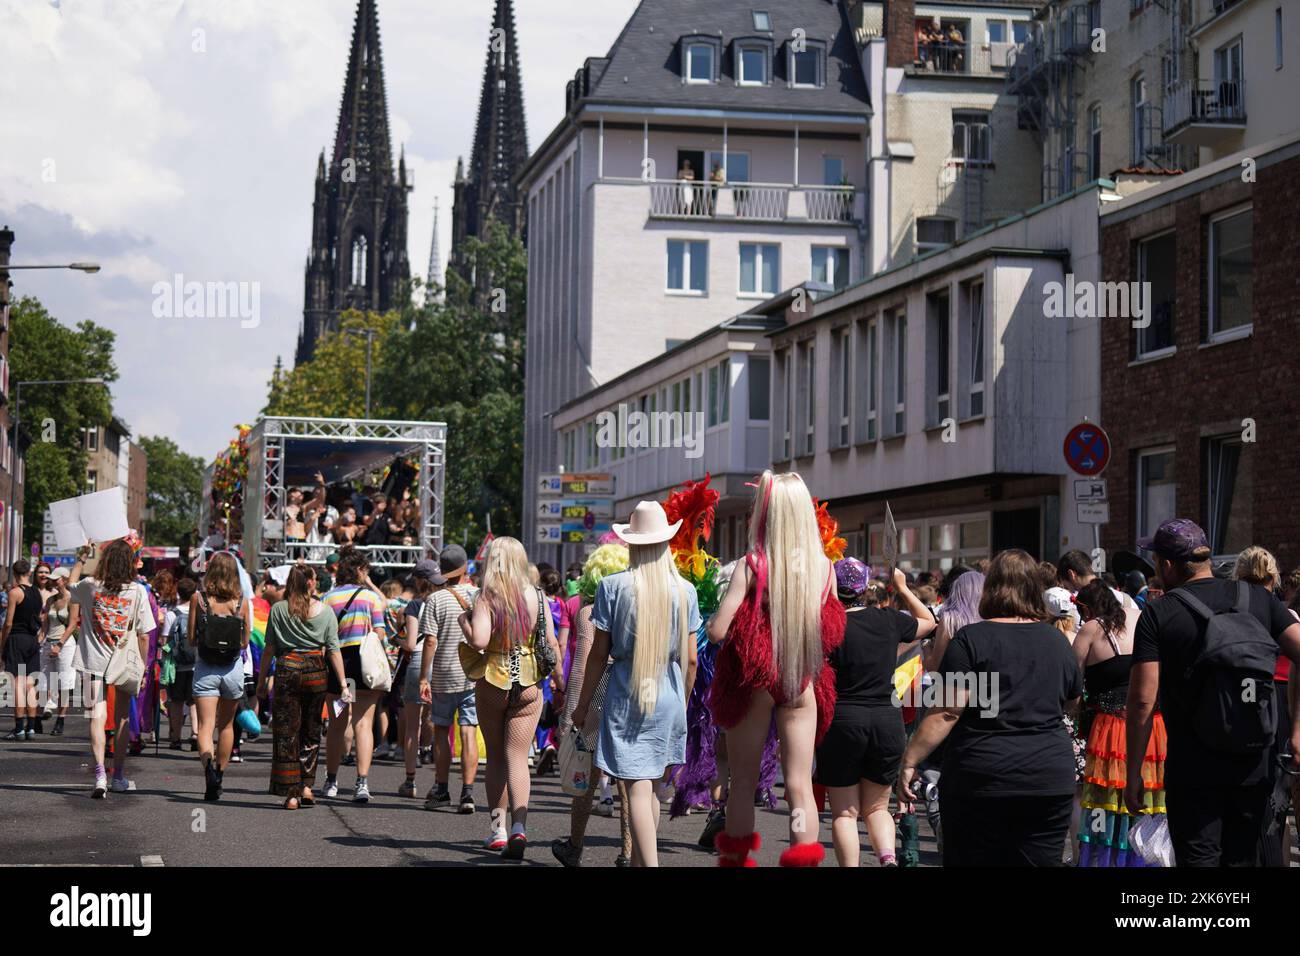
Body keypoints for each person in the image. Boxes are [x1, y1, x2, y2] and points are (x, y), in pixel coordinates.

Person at [1126, 521, 1300, 866]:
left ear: (1168, 565)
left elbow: (1143, 700)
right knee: (1243, 860)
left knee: (1199, 860)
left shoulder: (1159, 613)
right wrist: (1298, 731)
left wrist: (1134, 774)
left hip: (1193, 770)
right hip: (1253, 763)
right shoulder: (1259, 599)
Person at [899, 549, 1082, 866]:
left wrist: (909, 759)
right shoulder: (1058, 642)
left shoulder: (971, 640)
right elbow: (1071, 702)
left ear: (992, 588)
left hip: (982, 776)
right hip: (1048, 777)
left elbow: (946, 712)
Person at [707, 470, 846, 867]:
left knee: (742, 784)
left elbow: (718, 630)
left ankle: (736, 860)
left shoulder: (752, 565)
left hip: (754, 682)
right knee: (801, 786)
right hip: (801, 681)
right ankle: (802, 860)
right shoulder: (823, 567)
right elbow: (834, 629)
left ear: (765, 512)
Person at [570, 501, 701, 867]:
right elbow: (691, 660)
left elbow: (598, 655)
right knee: (654, 788)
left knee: (637, 789)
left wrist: (582, 706)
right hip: (670, 693)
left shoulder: (613, 587)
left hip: (628, 692)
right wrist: (685, 702)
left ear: (633, 543)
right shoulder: (684, 590)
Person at [820, 558, 935, 867]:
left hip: (843, 720)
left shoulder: (828, 624)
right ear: (864, 587)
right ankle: (887, 859)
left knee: (845, 812)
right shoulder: (888, 620)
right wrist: (903, 588)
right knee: (878, 809)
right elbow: (928, 621)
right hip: (887, 720)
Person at [460, 537, 559, 859]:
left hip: (493, 680)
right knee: (518, 758)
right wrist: (559, 683)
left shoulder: (486, 597)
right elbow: (551, 643)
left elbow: (479, 640)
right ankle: (520, 826)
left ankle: (497, 830)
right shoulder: (537, 596)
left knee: (497, 759)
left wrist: (464, 620)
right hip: (529, 682)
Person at [551, 542, 634, 868]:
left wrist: (574, 709)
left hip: (596, 696)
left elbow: (584, 663)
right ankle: (628, 850)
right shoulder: (634, 604)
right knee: (628, 777)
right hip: (627, 694)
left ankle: (575, 846)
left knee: (585, 777)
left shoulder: (590, 610)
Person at [1072, 580, 1166, 866]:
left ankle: (1106, 861)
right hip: (1154, 724)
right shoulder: (1145, 616)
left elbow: (1072, 690)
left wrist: (1077, 716)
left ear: (1087, 609)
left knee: (1108, 801)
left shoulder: (1090, 630)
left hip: (1111, 729)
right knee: (1149, 798)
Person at [65, 540, 155, 797]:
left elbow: (69, 585)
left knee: (96, 716)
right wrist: (145, 668)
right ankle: (119, 776)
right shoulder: (138, 591)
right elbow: (144, 635)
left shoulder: (90, 586)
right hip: (124, 663)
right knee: (123, 718)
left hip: (93, 661)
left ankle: (100, 774)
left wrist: (81, 559)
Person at [258, 566, 348, 809]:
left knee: (287, 732)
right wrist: (342, 683)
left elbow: (269, 649)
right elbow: (333, 650)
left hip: (287, 669)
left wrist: (261, 682)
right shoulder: (326, 611)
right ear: (311, 584)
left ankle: (291, 795)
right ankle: (307, 786)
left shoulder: (278, 610)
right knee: (311, 729)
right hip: (316, 671)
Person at [1230, 545, 1292, 866]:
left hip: (1244, 707)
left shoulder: (1232, 610)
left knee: (1249, 801)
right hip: (1282, 707)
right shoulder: (1284, 613)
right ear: (1273, 576)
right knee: (1276, 805)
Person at [322, 547, 389, 803]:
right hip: (365, 666)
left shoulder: (328, 598)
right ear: (360, 570)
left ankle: (331, 780)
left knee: (337, 724)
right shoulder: (370, 598)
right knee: (363, 723)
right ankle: (362, 783)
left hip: (339, 666)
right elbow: (381, 633)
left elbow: (325, 636)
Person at [417, 545, 481, 813]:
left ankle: (442, 788)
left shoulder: (434, 599)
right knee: (469, 731)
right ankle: (467, 792)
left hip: (444, 675)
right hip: (475, 675)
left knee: (442, 731)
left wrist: (423, 677)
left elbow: (430, 640)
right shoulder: (479, 596)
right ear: (465, 568)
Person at [189, 552, 250, 802]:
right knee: (226, 726)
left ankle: (208, 771)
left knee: (205, 727)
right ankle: (220, 775)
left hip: (206, 667)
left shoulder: (199, 599)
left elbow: (191, 638)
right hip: (232, 668)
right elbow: (245, 641)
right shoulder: (241, 601)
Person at [2, 560, 45, 739]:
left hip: (17, 639)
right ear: (30, 572)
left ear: (14, 572)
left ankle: (19, 727)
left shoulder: (15, 592)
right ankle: (31, 727)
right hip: (32, 640)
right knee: (29, 684)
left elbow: (9, 622)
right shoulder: (37, 593)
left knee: (18, 684)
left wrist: (2, 643)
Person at [39, 567, 77, 735]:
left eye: (56, 579)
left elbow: (73, 624)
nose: (53, 581)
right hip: (49, 643)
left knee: (64, 684)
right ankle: (40, 715)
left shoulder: (72, 599)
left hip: (66, 644)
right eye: (52, 579)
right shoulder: (50, 600)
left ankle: (60, 719)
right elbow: (46, 624)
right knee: (43, 681)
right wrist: (40, 639)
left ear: (65, 579)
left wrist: (59, 644)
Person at [163, 577, 199, 749]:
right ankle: (195, 734)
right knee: (193, 701)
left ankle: (176, 738)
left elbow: (165, 642)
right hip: (196, 665)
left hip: (177, 666)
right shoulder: (199, 612)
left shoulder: (171, 614)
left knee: (176, 702)